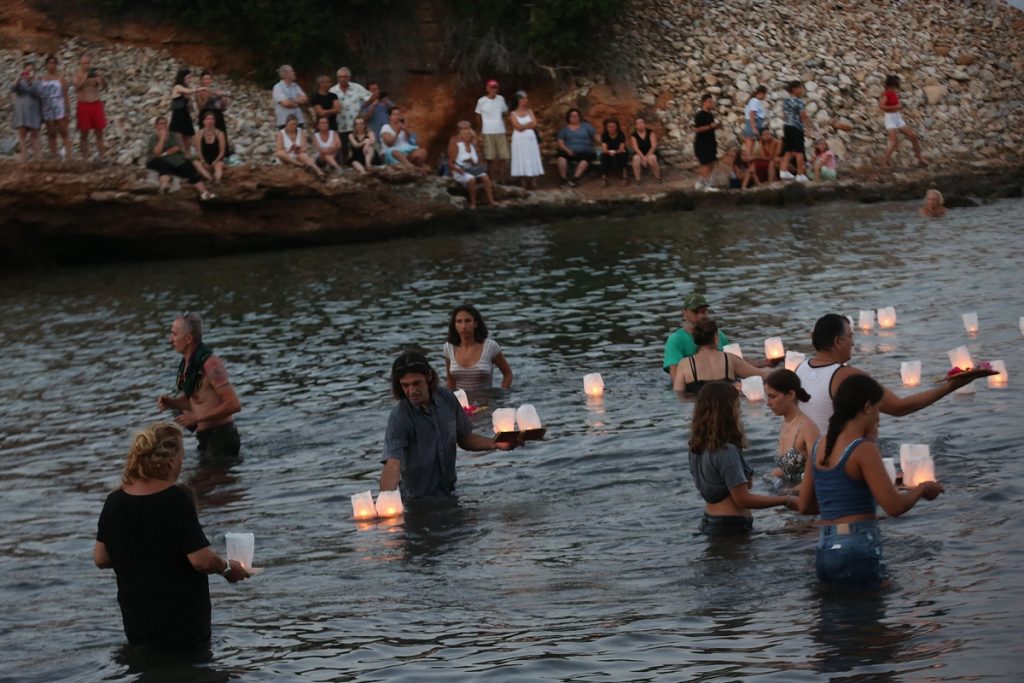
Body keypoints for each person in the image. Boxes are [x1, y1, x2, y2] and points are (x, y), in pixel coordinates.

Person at [93, 422, 250, 649]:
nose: (182, 463)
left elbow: (101, 558)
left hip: (138, 619)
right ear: (168, 461)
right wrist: (227, 568)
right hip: (183, 622)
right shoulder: (176, 498)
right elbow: (201, 560)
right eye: (181, 457)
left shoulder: (114, 500)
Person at [795, 375, 945, 587]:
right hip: (857, 548)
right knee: (871, 607)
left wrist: (842, 500)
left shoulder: (818, 446)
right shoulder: (863, 449)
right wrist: (923, 489)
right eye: (878, 409)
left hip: (825, 549)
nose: (878, 417)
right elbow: (894, 507)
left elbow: (804, 506)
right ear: (867, 407)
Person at [794, 313, 994, 435]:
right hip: (835, 462)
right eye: (850, 336)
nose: (853, 343)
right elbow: (899, 408)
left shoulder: (799, 369)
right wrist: (952, 386)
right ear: (838, 342)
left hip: (804, 459)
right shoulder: (847, 376)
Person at [379, 351, 520, 503]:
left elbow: (465, 438)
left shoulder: (446, 398)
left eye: (416, 383)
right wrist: (385, 502)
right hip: (416, 500)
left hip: (449, 492)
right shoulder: (399, 417)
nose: (411, 391)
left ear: (429, 377)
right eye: (405, 385)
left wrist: (495, 443)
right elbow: (392, 464)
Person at [688, 382, 797, 536]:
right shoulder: (726, 451)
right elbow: (743, 500)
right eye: (737, 407)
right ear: (727, 412)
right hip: (730, 526)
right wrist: (787, 500)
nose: (740, 412)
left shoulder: (695, 448)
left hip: (711, 521)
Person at [157, 312, 242, 459]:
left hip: (221, 437)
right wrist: (171, 402)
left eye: (175, 334)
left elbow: (234, 405)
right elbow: (196, 401)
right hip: (205, 437)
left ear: (188, 338)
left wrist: (197, 417)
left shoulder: (211, 364)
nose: (170, 340)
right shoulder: (188, 364)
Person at [672, 318, 770, 394]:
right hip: (727, 407)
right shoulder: (729, 359)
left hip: (700, 409)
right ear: (716, 338)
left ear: (695, 340)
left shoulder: (685, 364)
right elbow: (764, 376)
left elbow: (679, 394)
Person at [765, 369, 820, 485]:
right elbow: (786, 469)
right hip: (787, 490)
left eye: (773, 396)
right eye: (767, 397)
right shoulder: (786, 423)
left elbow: (818, 471)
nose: (768, 403)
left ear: (791, 395)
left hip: (803, 493)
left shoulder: (807, 428)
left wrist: (792, 492)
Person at [443, 304, 512, 390]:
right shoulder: (449, 347)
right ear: (454, 325)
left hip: (486, 397)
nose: (463, 326)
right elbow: (450, 380)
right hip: (460, 398)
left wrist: (503, 393)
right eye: (459, 321)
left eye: (468, 321)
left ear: (475, 323)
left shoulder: (490, 346)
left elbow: (508, 374)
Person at [145, 116, 215, 200]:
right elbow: (156, 152)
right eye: (161, 123)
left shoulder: (172, 135)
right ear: (156, 126)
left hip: (173, 159)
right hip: (156, 160)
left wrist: (164, 154)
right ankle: (165, 185)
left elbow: (176, 148)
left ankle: (204, 192)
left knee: (189, 171)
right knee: (163, 166)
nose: (163, 125)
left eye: (165, 123)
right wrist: (162, 138)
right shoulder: (153, 138)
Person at [663, 293, 729, 381]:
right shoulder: (675, 340)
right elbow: (676, 378)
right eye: (695, 312)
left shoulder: (717, 333)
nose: (701, 316)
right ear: (684, 314)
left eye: (704, 311)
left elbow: (736, 359)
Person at [880, 75, 926, 168]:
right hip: (890, 119)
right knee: (893, 143)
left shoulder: (893, 92)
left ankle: (920, 159)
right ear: (893, 83)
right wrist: (896, 107)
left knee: (913, 137)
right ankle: (883, 164)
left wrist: (906, 113)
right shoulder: (885, 94)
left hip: (897, 117)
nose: (899, 84)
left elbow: (897, 106)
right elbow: (882, 106)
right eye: (897, 82)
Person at [448, 125, 495, 209]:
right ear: (461, 136)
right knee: (471, 179)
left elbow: (477, 162)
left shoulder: (473, 147)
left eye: (469, 134)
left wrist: (472, 162)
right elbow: (450, 163)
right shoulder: (458, 146)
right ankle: (473, 203)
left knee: (485, 177)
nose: (467, 136)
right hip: (460, 170)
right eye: (465, 134)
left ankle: (491, 201)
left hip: (471, 169)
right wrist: (458, 169)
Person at [329, 67, 370, 161]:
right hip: (341, 124)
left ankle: (361, 162)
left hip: (356, 125)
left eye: (345, 76)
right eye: (341, 77)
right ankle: (344, 165)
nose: (343, 79)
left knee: (358, 147)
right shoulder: (332, 90)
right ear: (337, 78)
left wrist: (363, 112)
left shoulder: (357, 88)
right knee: (343, 148)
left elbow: (369, 98)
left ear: (349, 77)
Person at [73, 53, 107, 162]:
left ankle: (102, 157)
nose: (86, 66)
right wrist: (85, 78)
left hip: (95, 104)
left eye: (88, 63)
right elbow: (76, 87)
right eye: (84, 63)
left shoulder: (94, 74)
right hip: (83, 105)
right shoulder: (77, 75)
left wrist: (101, 77)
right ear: (80, 64)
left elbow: (105, 87)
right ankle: (85, 158)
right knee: (84, 134)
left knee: (99, 133)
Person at [475, 79, 509, 184]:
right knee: (490, 158)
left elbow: (505, 112)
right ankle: (492, 181)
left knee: (503, 157)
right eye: (492, 87)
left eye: (495, 88)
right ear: (487, 88)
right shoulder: (482, 101)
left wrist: (503, 124)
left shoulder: (501, 99)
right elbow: (478, 115)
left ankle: (503, 180)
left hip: (500, 131)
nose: (494, 90)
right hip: (488, 131)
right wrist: (482, 127)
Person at [508, 91, 543, 189]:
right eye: (524, 98)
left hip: (530, 139)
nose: (526, 100)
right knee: (521, 156)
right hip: (519, 140)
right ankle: (523, 182)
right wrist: (528, 125)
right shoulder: (513, 113)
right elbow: (517, 127)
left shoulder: (529, 111)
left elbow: (534, 124)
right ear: (519, 100)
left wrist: (523, 126)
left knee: (532, 156)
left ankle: (534, 182)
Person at [38, 55, 71, 160]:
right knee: (51, 132)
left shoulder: (61, 79)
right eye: (50, 63)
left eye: (54, 63)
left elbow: (65, 95)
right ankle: (54, 156)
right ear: (46, 65)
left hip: (59, 106)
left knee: (64, 131)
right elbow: (39, 95)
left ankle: (68, 156)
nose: (52, 65)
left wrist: (67, 110)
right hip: (47, 107)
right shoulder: (42, 79)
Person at [556, 108, 598, 187]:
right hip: (569, 151)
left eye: (576, 116)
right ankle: (563, 178)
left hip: (585, 151)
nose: (574, 118)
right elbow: (560, 142)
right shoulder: (564, 129)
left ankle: (575, 178)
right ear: (568, 117)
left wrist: (605, 142)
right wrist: (568, 150)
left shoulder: (586, 126)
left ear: (579, 117)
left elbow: (595, 136)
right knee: (561, 156)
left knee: (587, 157)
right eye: (572, 116)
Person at [778, 81, 811, 182]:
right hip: (796, 127)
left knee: (788, 150)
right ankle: (800, 174)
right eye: (800, 88)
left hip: (787, 126)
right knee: (799, 151)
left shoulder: (786, 101)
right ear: (794, 89)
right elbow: (803, 116)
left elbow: (784, 115)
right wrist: (808, 129)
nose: (801, 90)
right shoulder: (799, 101)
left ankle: (783, 171)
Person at [275, 114, 325, 179]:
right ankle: (301, 165)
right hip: (287, 155)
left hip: (298, 154)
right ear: (286, 124)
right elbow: (279, 150)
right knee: (280, 154)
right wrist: (290, 149)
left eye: (295, 124)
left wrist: (298, 149)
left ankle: (319, 172)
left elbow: (304, 148)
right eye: (292, 124)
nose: (294, 126)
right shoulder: (281, 134)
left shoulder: (300, 131)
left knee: (302, 155)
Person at [379, 107, 427, 172]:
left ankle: (415, 166)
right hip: (392, 153)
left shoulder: (401, 126)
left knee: (422, 152)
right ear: (389, 117)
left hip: (405, 153)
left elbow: (408, 140)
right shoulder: (385, 127)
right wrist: (397, 132)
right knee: (394, 151)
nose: (397, 117)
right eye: (395, 115)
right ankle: (411, 167)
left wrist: (406, 130)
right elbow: (389, 143)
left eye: (398, 115)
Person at [12, 61, 42, 162]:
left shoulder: (37, 82)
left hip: (33, 112)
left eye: (31, 70)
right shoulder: (20, 82)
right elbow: (12, 88)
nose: (28, 72)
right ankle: (23, 159)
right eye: (27, 70)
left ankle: (38, 160)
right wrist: (19, 77)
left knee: (35, 135)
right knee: (22, 135)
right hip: (22, 112)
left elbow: (37, 93)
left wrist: (31, 81)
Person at [169, 69, 203, 152]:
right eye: (188, 78)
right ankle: (182, 152)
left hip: (185, 113)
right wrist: (199, 89)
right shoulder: (177, 87)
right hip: (178, 114)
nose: (190, 80)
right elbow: (188, 91)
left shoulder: (185, 88)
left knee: (188, 136)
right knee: (178, 135)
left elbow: (189, 104)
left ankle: (187, 152)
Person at [194, 71, 230, 145]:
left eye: (208, 79)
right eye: (205, 79)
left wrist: (222, 97)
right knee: (207, 137)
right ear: (201, 80)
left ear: (211, 80)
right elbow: (200, 107)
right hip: (206, 115)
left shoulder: (215, 90)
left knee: (220, 136)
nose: (207, 81)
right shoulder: (199, 91)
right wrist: (207, 96)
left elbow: (223, 105)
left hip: (217, 114)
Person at [693, 93, 720, 191]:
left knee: (711, 163)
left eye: (712, 102)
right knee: (705, 164)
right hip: (702, 143)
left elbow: (711, 127)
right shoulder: (699, 115)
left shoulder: (710, 115)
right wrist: (710, 126)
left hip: (711, 143)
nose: (711, 104)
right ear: (704, 102)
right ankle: (707, 186)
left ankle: (702, 182)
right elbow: (696, 129)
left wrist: (716, 126)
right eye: (709, 102)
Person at [194, 111, 226, 184]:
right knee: (196, 163)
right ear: (203, 121)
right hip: (204, 159)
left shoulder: (219, 134)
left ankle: (217, 180)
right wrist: (203, 161)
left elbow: (222, 151)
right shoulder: (199, 134)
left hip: (217, 159)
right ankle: (210, 178)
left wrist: (215, 161)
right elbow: (198, 151)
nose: (210, 121)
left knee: (219, 166)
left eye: (212, 119)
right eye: (207, 119)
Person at [272, 65, 308, 129]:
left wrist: (292, 100)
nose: (294, 73)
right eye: (292, 71)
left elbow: (305, 99)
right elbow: (285, 103)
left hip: (298, 121)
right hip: (284, 122)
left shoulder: (295, 85)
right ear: (286, 74)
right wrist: (298, 101)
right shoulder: (277, 87)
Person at [630, 116, 661, 184]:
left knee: (652, 158)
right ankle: (638, 179)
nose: (640, 124)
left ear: (644, 124)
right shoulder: (633, 135)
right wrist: (643, 158)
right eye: (638, 123)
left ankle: (657, 178)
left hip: (651, 152)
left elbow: (653, 146)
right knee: (636, 158)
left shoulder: (651, 132)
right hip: (639, 153)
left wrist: (646, 157)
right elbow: (636, 148)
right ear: (635, 126)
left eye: (642, 122)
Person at [600, 118, 628, 186]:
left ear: (617, 126)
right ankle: (604, 178)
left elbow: (621, 148)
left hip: (619, 151)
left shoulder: (621, 134)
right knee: (604, 156)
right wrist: (609, 152)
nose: (611, 128)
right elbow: (604, 149)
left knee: (623, 156)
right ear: (606, 127)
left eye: (613, 126)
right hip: (609, 152)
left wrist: (615, 152)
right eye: (609, 126)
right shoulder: (604, 135)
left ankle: (625, 177)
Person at [743, 85, 768, 156]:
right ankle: (746, 162)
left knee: (749, 147)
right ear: (761, 93)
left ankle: (746, 161)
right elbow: (752, 114)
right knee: (749, 148)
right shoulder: (755, 101)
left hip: (751, 125)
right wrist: (754, 128)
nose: (765, 96)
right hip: (753, 125)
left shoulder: (754, 101)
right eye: (765, 94)